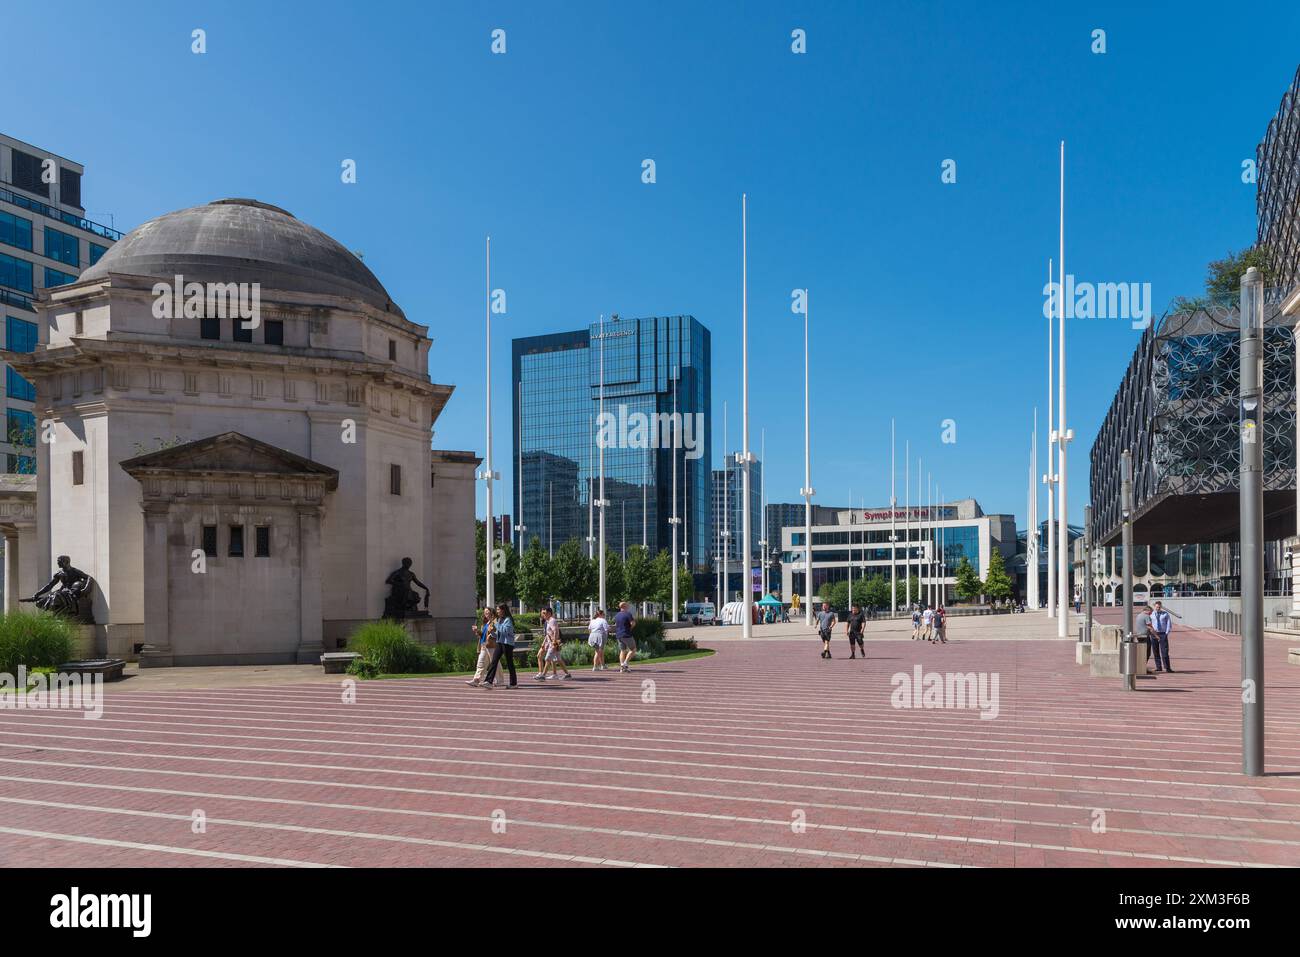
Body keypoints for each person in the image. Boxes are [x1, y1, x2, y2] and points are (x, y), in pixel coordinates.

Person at [481, 604, 517, 689]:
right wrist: (492, 633)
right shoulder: (500, 619)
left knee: (509, 663)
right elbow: (499, 634)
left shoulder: (508, 620)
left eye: (498, 610)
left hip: (507, 644)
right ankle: (488, 681)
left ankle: (513, 683)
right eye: (497, 610)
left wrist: (496, 625)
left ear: (503, 610)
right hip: (500, 643)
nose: (497, 611)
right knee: (494, 661)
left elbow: (505, 631)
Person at [535, 607, 572, 681]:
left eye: (544, 613)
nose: (543, 615)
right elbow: (548, 634)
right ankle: (567, 675)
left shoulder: (552, 621)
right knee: (558, 659)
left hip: (553, 644)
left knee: (547, 659)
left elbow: (556, 631)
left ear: (549, 613)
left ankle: (543, 676)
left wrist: (554, 642)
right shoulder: (548, 621)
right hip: (552, 643)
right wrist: (544, 643)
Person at [465, 608, 496, 686]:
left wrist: (491, 631)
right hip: (483, 645)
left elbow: (494, 634)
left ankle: (499, 680)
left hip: (491, 645)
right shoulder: (485, 623)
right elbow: (483, 635)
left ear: (492, 613)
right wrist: (477, 631)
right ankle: (476, 680)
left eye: (488, 612)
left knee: (495, 663)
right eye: (485, 613)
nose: (486, 614)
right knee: (480, 663)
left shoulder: (494, 622)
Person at [1151, 600, 1174, 673]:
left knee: (1165, 651)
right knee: (1155, 651)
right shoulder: (1151, 614)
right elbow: (1149, 624)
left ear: (1161, 607)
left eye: (1159, 607)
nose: (1158, 608)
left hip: (1162, 634)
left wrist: (1166, 633)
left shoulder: (1165, 614)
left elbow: (1169, 624)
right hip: (1154, 634)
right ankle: (1158, 667)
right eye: (1157, 607)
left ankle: (1167, 668)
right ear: (1154, 606)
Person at [613, 601, 637, 673]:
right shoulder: (628, 614)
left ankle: (622, 667)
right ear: (624, 606)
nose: (628, 606)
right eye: (627, 605)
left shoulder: (617, 615)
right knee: (633, 649)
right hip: (626, 634)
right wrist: (631, 628)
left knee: (622, 650)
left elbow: (615, 624)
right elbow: (632, 623)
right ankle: (625, 663)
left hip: (618, 635)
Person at [1135, 603, 1155, 674]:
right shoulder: (1146, 616)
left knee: (1142, 653)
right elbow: (1150, 627)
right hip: (1145, 637)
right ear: (1147, 610)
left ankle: (1141, 668)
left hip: (1139, 636)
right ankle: (1142, 668)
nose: (1151, 614)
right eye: (1151, 612)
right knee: (1147, 653)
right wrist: (1156, 635)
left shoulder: (1139, 615)